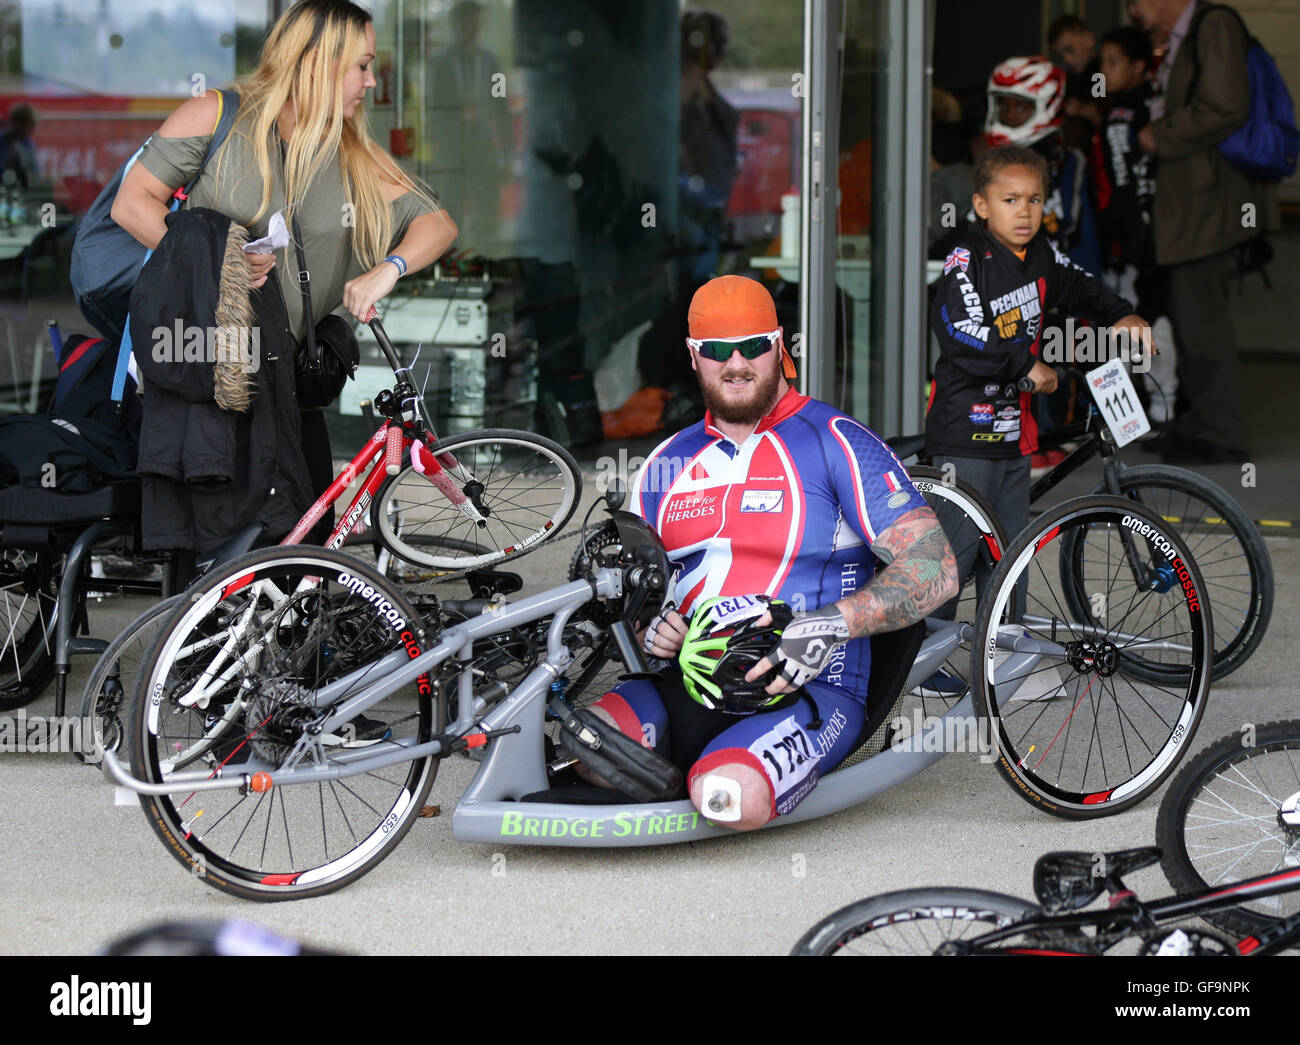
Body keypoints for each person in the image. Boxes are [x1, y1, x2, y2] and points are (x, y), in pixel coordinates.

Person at [576, 275, 958, 832]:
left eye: (753, 345)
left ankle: (716, 768)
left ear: (779, 345)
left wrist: (830, 624)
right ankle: (692, 761)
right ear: (693, 357)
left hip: (807, 688)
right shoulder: (665, 461)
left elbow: (936, 568)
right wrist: (653, 628)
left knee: (727, 796)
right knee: (587, 751)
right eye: (716, 350)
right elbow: (641, 596)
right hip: (681, 682)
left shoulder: (836, 439)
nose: (736, 363)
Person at [111, 0, 458, 551]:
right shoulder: (218, 115)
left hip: (294, 386)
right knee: (214, 556)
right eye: (362, 65)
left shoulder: (354, 153)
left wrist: (387, 270)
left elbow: (437, 225)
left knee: (305, 555)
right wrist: (221, 264)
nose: (371, 81)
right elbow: (133, 204)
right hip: (211, 375)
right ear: (318, 60)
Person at [925, 145, 1148, 620]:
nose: (1023, 211)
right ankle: (920, 664)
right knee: (954, 551)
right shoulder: (966, 260)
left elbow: (1082, 286)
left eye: (1034, 199)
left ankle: (1006, 650)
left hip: (1015, 435)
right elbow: (959, 330)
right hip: (967, 432)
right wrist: (1022, 366)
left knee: (1011, 554)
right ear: (982, 206)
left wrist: (1121, 313)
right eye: (1010, 200)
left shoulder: (1041, 253)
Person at [1131, 0, 1280, 462]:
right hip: (1193, 209)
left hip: (1209, 208)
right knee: (1191, 320)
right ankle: (1202, 422)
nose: (1133, 11)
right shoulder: (1185, 37)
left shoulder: (1214, 26)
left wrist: (1161, 134)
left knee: (1202, 321)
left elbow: (1225, 105)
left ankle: (1221, 432)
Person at [1092, 25, 1178, 424]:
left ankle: (1163, 407)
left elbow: (1135, 181)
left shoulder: (1150, 109)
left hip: (1144, 234)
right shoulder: (1115, 109)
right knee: (1127, 320)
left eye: (1112, 63)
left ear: (1139, 66)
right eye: (1102, 63)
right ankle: (1129, 415)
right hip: (1125, 235)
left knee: (1151, 318)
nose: (1103, 71)